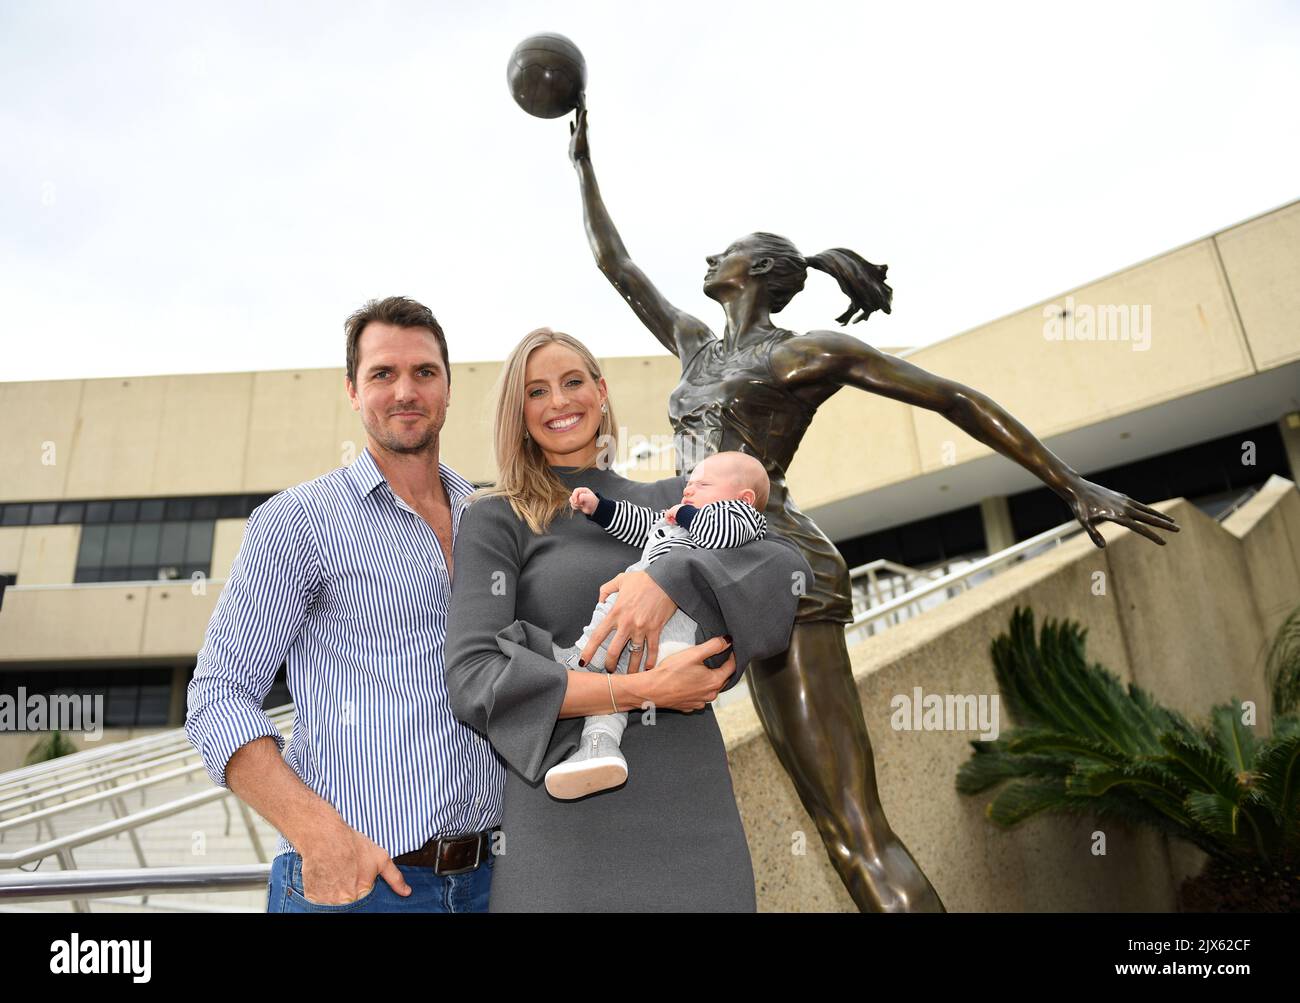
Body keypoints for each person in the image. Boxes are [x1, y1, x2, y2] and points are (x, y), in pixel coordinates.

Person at [566, 106, 1181, 911]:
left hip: (775, 564)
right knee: (829, 821)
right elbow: (618, 264)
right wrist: (583, 166)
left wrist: (1067, 480)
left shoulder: (805, 351)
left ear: (757, 271)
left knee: (850, 825)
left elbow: (951, 396)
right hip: (699, 564)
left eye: (730, 247)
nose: (712, 253)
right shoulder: (695, 342)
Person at [444, 328, 812, 911]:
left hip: (688, 809)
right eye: (536, 392)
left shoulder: (679, 496)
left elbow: (787, 569)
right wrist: (643, 690)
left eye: (572, 382)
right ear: (518, 413)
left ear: (601, 389)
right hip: (561, 815)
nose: (559, 402)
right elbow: (474, 680)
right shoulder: (495, 517)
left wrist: (662, 582)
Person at [185, 296, 500, 913]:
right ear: (354, 392)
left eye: (424, 372)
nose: (405, 390)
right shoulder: (300, 520)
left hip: (494, 881)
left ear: (448, 388)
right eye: (382, 374)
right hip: (359, 886)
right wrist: (318, 834)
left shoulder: (490, 517)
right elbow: (218, 694)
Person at [545, 450, 771, 799]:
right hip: (658, 640)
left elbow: (722, 534)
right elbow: (639, 524)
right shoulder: (678, 523)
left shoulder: (740, 519)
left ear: (743, 498)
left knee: (621, 608)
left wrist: (685, 513)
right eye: (689, 484)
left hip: (681, 628)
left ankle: (576, 664)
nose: (689, 490)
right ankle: (599, 747)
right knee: (615, 689)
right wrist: (601, 508)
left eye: (702, 483)